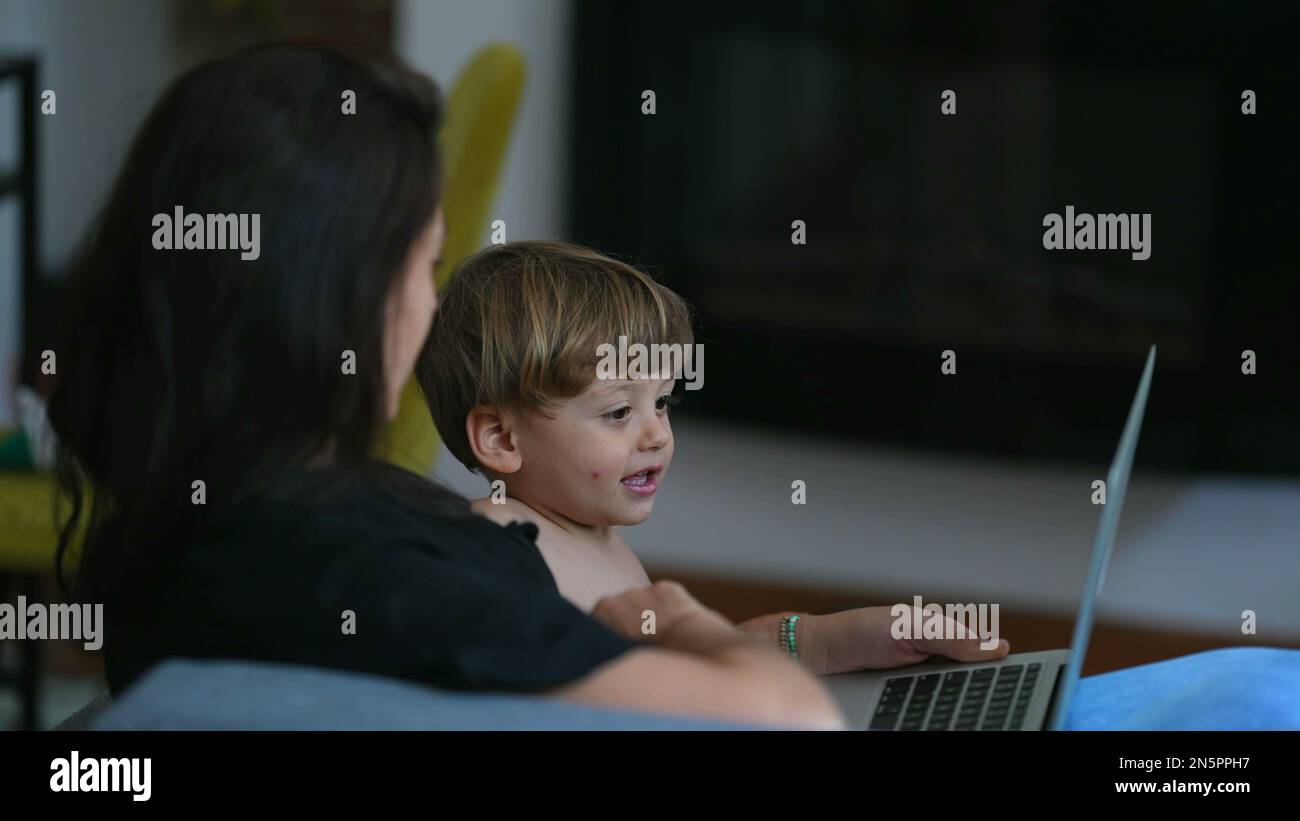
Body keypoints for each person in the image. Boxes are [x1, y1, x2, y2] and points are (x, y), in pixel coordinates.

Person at [45, 43, 843, 730]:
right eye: (424, 267)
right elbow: (790, 719)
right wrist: (679, 613)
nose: (430, 305)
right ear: (341, 303)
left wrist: (829, 640)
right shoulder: (369, 573)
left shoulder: (189, 524)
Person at [418, 239, 1300, 729]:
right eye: (618, 412)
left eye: (665, 402)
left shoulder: (585, 534)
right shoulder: (508, 552)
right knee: (1228, 715)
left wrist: (836, 637)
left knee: (1252, 681)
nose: (657, 432)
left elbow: (701, 655)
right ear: (498, 436)